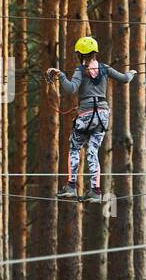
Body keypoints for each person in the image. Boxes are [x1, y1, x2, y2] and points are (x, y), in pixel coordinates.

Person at [47, 36, 136, 202]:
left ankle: (71, 186)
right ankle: (95, 191)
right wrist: (132, 72)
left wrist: (61, 76)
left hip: (86, 114)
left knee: (75, 148)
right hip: (102, 115)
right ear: (95, 52)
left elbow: (71, 89)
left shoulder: (81, 70)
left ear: (80, 54)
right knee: (93, 151)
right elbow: (125, 79)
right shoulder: (105, 68)